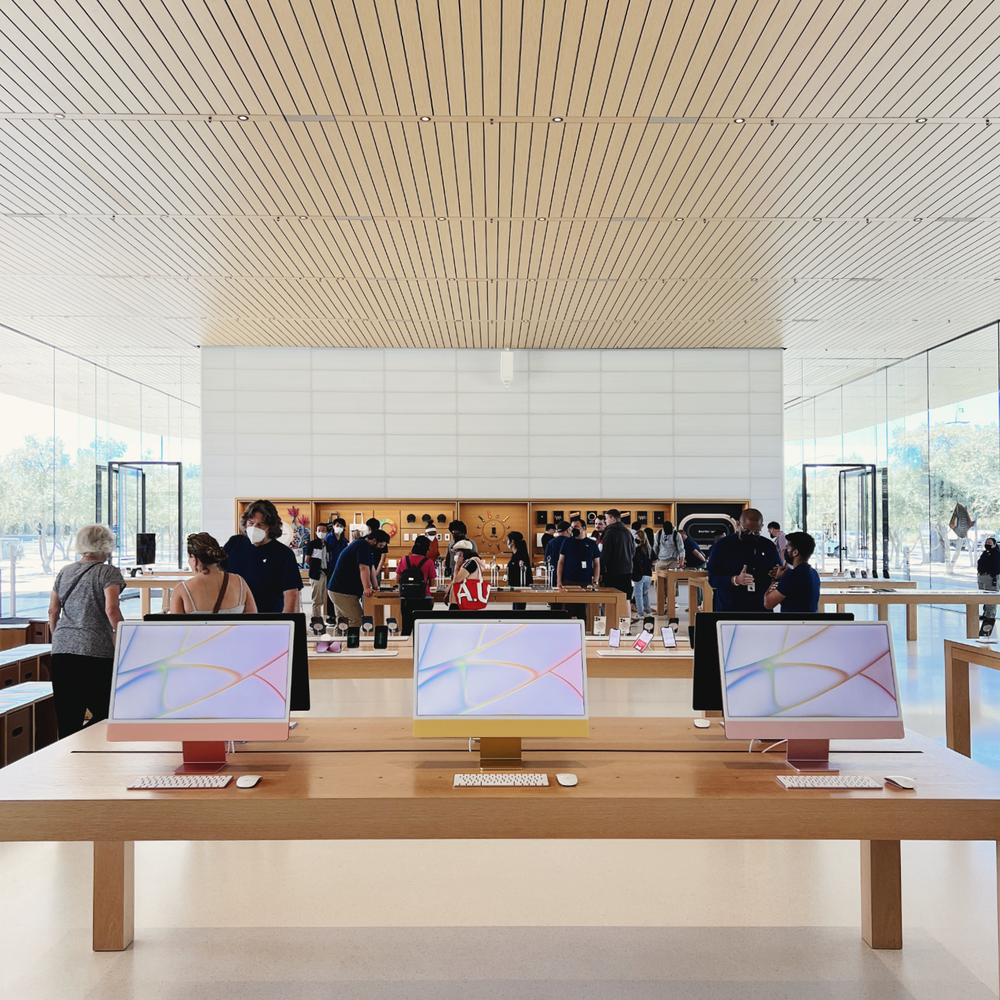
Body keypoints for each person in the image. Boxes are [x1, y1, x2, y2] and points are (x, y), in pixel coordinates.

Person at [47, 524, 125, 738]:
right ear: (106, 545)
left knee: (68, 717)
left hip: (62, 651)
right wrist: (125, 639)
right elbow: (111, 609)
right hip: (95, 649)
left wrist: (59, 638)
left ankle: (71, 753)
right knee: (106, 712)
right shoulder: (108, 572)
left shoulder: (65, 571)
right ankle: (94, 748)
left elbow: (53, 610)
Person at [223, 499, 303, 613]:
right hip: (233, 615)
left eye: (261, 524)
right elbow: (216, 573)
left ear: (271, 527)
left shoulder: (283, 554)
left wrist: (286, 621)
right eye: (251, 522)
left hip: (267, 617)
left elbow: (291, 595)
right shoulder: (234, 543)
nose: (254, 527)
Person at [706, 508, 781, 612]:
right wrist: (735, 580)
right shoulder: (722, 545)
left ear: (761, 527)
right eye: (746, 531)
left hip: (761, 607)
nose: (751, 535)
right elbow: (713, 579)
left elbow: (780, 574)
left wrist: (777, 575)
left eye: (756, 532)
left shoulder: (769, 546)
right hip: (730, 607)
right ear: (738, 525)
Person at [171, 532, 258, 614]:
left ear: (194, 559)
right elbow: (253, 620)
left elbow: (175, 625)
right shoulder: (240, 583)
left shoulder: (182, 590)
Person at [328, 528, 390, 626]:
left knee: (343, 622)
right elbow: (363, 568)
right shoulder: (362, 545)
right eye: (380, 545)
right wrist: (366, 588)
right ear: (374, 541)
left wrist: (375, 587)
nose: (380, 548)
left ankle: (340, 637)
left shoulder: (365, 546)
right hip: (343, 590)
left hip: (338, 589)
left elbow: (371, 568)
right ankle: (352, 637)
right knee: (356, 619)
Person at [557, 518, 601, 621]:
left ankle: (583, 630)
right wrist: (559, 580)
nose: (573, 529)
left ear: (583, 528)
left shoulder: (592, 543)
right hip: (569, 580)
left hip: (585, 581)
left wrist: (595, 580)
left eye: (576, 527)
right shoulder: (567, 542)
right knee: (567, 611)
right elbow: (561, 562)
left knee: (582, 612)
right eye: (572, 527)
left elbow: (596, 564)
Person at [764, 531, 820, 613]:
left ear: (795, 552)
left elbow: (768, 603)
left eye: (787, 548)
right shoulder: (814, 573)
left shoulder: (792, 576)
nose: (785, 551)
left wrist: (776, 579)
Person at [396, 534, 437, 635]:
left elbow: (397, 580)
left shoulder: (404, 560)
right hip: (423, 598)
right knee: (423, 629)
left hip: (406, 598)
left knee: (406, 628)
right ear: (426, 549)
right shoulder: (429, 562)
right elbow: (432, 583)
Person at [600, 509, 636, 599]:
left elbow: (606, 553)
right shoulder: (627, 532)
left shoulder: (610, 532)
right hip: (627, 570)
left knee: (611, 598)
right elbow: (633, 551)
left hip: (613, 572)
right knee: (626, 598)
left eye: (606, 518)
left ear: (613, 519)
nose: (605, 521)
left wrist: (601, 570)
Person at [447, 539, 490, 609]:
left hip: (463, 601)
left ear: (461, 553)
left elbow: (457, 579)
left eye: (456, 552)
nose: (455, 555)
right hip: (462, 600)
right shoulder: (467, 563)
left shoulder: (471, 563)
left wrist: (457, 566)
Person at [303, 524, 331, 618]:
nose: (321, 532)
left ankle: (321, 617)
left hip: (325, 574)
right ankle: (316, 619)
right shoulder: (312, 544)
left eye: (323, 530)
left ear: (326, 533)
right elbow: (307, 560)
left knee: (323, 599)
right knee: (316, 599)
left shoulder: (327, 545)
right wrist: (314, 568)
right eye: (319, 530)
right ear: (316, 532)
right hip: (316, 574)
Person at [505, 530, 532, 611]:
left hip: (520, 586)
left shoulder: (520, 556)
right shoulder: (514, 554)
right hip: (514, 587)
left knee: (519, 608)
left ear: (512, 542)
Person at [978, 536, 1000, 637]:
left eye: (989, 543)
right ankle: (986, 614)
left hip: (990, 579)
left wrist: (994, 578)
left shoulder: (996, 553)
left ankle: (990, 617)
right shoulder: (985, 553)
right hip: (982, 578)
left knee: (990, 599)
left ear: (994, 544)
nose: (987, 544)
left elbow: (997, 567)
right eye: (986, 542)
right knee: (984, 598)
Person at [631, 528, 653, 618]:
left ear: (641, 538)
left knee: (638, 595)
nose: (635, 539)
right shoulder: (650, 549)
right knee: (645, 594)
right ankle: (648, 611)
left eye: (637, 537)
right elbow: (655, 560)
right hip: (649, 574)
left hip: (639, 575)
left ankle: (640, 613)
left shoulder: (637, 549)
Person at [544, 521, 571, 586]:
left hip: (553, 574)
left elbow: (546, 560)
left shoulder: (551, 543)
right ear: (568, 530)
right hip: (569, 575)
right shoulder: (571, 542)